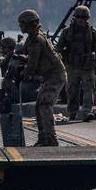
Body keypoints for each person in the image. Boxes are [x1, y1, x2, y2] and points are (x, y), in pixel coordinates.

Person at [20, 9, 66, 146]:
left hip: (55, 75)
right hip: (49, 76)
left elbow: (33, 64)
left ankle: (51, 138)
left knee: (45, 105)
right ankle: (43, 137)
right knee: (39, 107)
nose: (20, 26)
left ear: (28, 24)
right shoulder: (34, 37)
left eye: (22, 23)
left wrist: (24, 73)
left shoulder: (36, 40)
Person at [57, 4, 96, 121]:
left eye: (84, 18)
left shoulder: (93, 33)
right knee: (72, 90)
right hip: (72, 65)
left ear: (88, 19)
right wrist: (59, 63)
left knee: (88, 89)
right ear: (74, 18)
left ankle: (87, 111)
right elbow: (58, 49)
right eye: (79, 17)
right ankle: (73, 112)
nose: (81, 20)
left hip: (87, 66)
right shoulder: (66, 32)